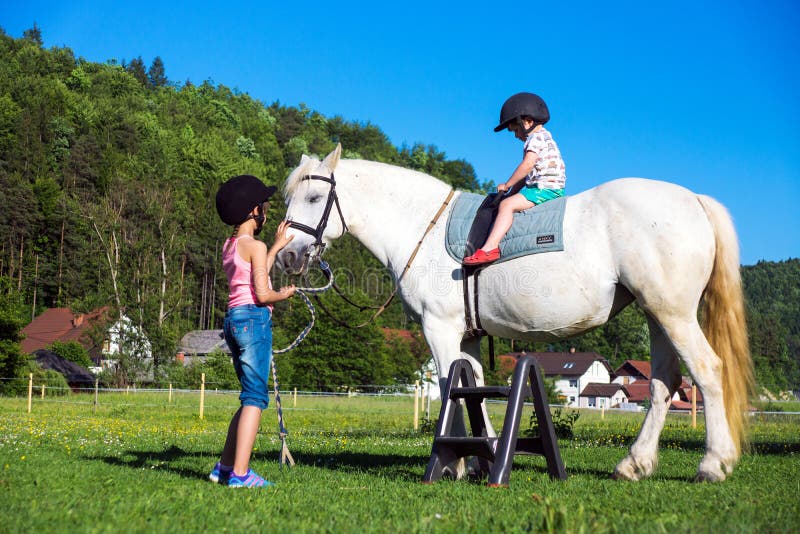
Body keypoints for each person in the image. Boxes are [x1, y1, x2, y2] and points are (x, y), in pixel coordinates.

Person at [209, 174, 296, 488]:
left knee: (248, 397)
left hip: (234, 320)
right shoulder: (255, 246)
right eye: (263, 207)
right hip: (254, 321)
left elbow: (255, 271)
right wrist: (284, 294)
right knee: (255, 398)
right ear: (253, 211)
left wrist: (276, 247)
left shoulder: (231, 246)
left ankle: (224, 468)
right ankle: (241, 475)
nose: (265, 212)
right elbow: (262, 293)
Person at [463, 93, 566, 265]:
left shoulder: (534, 139)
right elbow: (526, 176)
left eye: (516, 130)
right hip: (547, 187)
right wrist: (511, 192)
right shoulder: (545, 137)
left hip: (543, 189)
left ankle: (490, 248)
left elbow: (526, 166)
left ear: (528, 121)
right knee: (509, 201)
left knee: (506, 206)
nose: (516, 135)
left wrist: (507, 185)